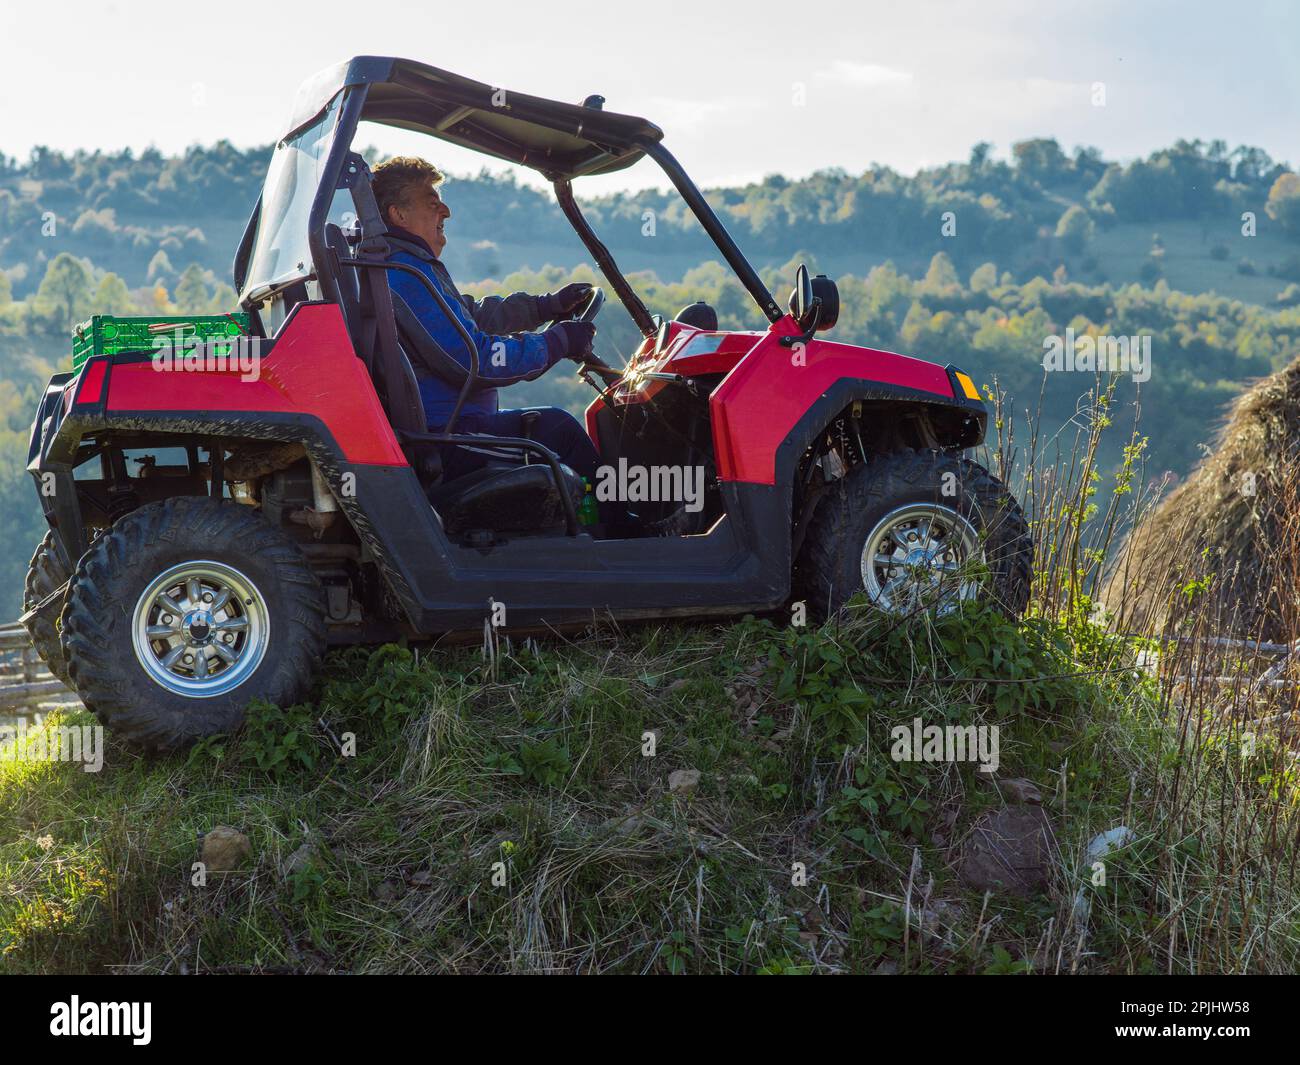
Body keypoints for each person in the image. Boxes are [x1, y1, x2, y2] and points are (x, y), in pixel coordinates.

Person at [372, 155, 601, 484]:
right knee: (559, 432)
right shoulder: (405, 276)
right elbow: (472, 360)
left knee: (552, 430)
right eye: (432, 201)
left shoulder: (406, 269)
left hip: (449, 428)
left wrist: (545, 307)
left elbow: (471, 316)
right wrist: (557, 342)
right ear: (399, 214)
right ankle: (627, 529)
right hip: (446, 441)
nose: (446, 211)